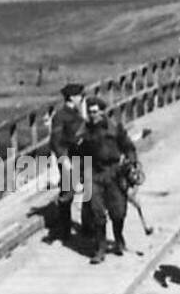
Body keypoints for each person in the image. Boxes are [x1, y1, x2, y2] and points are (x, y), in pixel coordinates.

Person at [77, 96, 137, 264]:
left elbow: (129, 147)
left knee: (118, 211)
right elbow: (78, 154)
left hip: (114, 173)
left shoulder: (115, 128)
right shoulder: (85, 132)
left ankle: (118, 238)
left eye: (95, 111)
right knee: (97, 212)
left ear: (102, 112)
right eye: (89, 112)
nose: (92, 115)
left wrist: (131, 162)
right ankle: (100, 247)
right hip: (94, 174)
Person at [48, 82, 85, 241]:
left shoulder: (77, 114)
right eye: (79, 96)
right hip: (68, 159)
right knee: (67, 194)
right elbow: (56, 142)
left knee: (89, 191)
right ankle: (64, 231)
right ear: (72, 97)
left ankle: (88, 227)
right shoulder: (60, 116)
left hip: (82, 157)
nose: (81, 98)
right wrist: (64, 161)